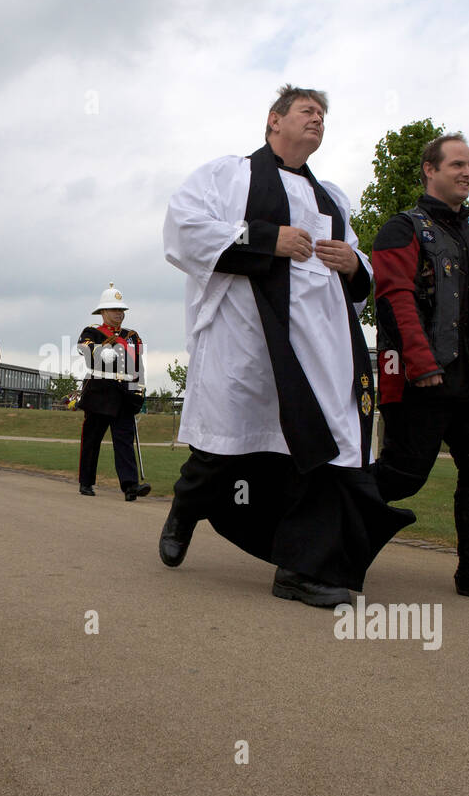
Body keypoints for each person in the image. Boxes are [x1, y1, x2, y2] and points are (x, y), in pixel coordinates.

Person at [161, 84, 414, 607]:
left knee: (321, 452)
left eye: (323, 115)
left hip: (320, 349)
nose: (318, 120)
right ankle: (187, 506)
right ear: (273, 120)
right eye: (307, 111)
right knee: (224, 450)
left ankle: (300, 569)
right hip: (247, 337)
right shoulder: (227, 176)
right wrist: (264, 238)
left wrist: (355, 264)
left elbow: (358, 272)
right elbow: (182, 232)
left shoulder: (334, 197)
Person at [372, 133, 469, 604]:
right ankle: (320, 536)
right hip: (422, 382)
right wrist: (421, 364)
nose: (467, 173)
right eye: (457, 164)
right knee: (401, 477)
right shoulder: (402, 229)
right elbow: (394, 301)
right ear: (429, 170)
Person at [76, 283, 149, 500]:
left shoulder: (132, 336)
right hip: (100, 391)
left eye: (121, 310)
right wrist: (100, 351)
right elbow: (84, 348)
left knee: (124, 441)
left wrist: (139, 391)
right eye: (114, 310)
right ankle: (86, 482)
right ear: (103, 312)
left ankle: (130, 486)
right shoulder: (92, 332)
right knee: (92, 439)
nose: (119, 314)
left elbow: (138, 367)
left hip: (124, 393)